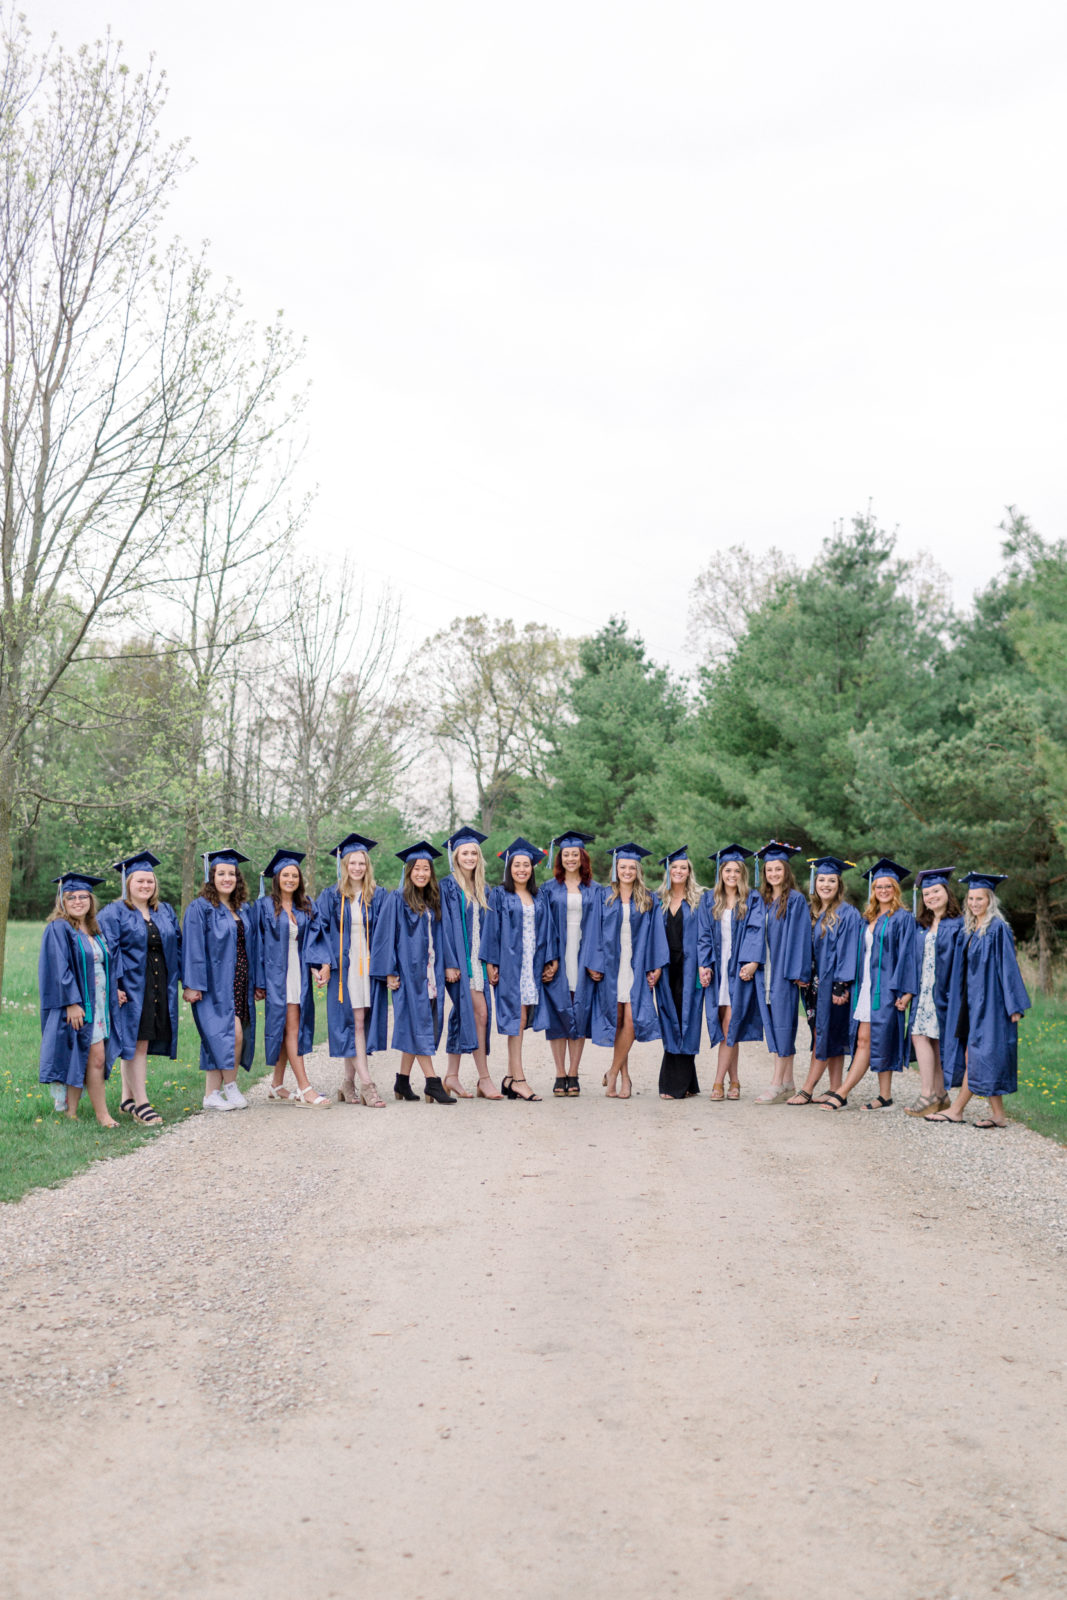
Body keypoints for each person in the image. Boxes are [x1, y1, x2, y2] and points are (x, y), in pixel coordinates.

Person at [928, 872, 1030, 1129]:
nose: (974, 903)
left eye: (979, 898)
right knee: (979, 1056)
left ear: (990, 900)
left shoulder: (997, 928)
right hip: (970, 1004)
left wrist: (1014, 1005)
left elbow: (1008, 968)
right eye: (971, 898)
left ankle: (956, 1109)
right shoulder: (969, 928)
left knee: (975, 1056)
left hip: (991, 1004)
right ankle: (998, 1115)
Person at [819, 858, 919, 1111]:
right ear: (873, 890)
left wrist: (906, 992)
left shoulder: (903, 918)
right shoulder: (869, 917)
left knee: (869, 1039)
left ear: (896, 889)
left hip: (886, 988)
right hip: (866, 987)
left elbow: (909, 956)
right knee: (871, 1039)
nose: (883, 891)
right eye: (878, 886)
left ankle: (842, 1092)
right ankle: (885, 1096)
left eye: (888, 886)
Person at [98, 850, 182, 1126]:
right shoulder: (114, 912)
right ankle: (142, 1104)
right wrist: (116, 986)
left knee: (136, 1042)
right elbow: (109, 951)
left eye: (150, 881)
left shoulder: (164, 910)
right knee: (138, 1042)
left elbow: (177, 943)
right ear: (127, 883)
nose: (146, 885)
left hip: (158, 983)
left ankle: (126, 1099)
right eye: (139, 881)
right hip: (133, 985)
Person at [369, 841, 455, 1104]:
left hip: (430, 972)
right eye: (417, 868)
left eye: (426, 869)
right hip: (407, 973)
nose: (421, 873)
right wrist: (390, 971)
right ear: (409, 872)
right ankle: (432, 1082)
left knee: (416, 1023)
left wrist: (449, 963)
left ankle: (402, 1081)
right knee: (418, 1024)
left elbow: (444, 934)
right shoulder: (397, 898)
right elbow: (385, 937)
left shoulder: (434, 899)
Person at [38, 870, 120, 1126]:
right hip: (79, 1003)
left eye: (83, 896)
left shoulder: (95, 928)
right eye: (71, 896)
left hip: (99, 1001)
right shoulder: (58, 928)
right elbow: (58, 968)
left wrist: (115, 988)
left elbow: (105, 963)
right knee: (96, 1057)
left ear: (91, 899)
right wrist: (71, 1003)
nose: (77, 901)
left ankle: (71, 1112)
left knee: (80, 1055)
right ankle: (102, 1115)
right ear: (61, 900)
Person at [181, 848, 259, 1112]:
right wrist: (192, 984)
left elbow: (253, 946)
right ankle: (231, 1086)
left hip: (239, 982)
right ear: (211, 876)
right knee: (230, 1034)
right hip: (213, 984)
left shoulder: (242, 908)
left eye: (231, 874)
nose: (227, 878)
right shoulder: (200, 908)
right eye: (221, 873)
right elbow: (192, 947)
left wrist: (257, 982)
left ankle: (211, 1094)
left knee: (218, 1038)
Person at [254, 849, 332, 1108]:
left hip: (298, 973)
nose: (290, 879)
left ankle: (277, 1085)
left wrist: (319, 966)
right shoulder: (264, 906)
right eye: (285, 875)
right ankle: (305, 1088)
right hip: (277, 976)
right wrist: (260, 982)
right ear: (276, 878)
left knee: (290, 1026)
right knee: (292, 1027)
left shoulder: (306, 905)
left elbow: (313, 940)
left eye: (294, 875)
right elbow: (257, 944)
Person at [483, 837, 559, 1101]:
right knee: (516, 1018)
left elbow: (548, 929)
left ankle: (508, 1077)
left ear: (532, 868)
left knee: (522, 1017)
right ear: (509, 867)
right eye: (517, 865)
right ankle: (519, 1079)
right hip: (510, 964)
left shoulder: (540, 896)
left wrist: (552, 959)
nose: (522, 870)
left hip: (532, 963)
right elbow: (491, 930)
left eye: (526, 865)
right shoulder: (500, 894)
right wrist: (492, 963)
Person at [316, 832, 389, 1107]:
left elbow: (385, 932)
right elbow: (320, 931)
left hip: (369, 965)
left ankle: (347, 1083)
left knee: (357, 1023)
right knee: (356, 1022)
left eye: (362, 863)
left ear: (367, 866)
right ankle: (367, 1084)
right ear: (344, 865)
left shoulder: (378, 895)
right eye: (352, 863)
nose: (357, 868)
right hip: (345, 968)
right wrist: (323, 963)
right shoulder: (332, 896)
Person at [591, 844, 667, 1098]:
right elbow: (593, 933)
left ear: (638, 870)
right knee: (618, 1020)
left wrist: (655, 965)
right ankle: (625, 1079)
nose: (627, 871)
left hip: (637, 964)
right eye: (622, 867)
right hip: (612, 966)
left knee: (632, 1021)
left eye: (631, 867)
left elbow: (657, 932)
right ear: (615, 869)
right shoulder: (603, 896)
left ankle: (612, 1071)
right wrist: (595, 963)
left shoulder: (648, 898)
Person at [740, 841, 812, 1104]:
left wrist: (797, 972)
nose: (773, 874)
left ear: (786, 871)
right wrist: (751, 962)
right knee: (775, 1025)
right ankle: (788, 1082)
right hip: (764, 971)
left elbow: (801, 939)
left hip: (784, 973)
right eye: (769, 869)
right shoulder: (760, 900)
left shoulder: (795, 900)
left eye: (778, 869)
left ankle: (775, 1083)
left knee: (784, 1025)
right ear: (764, 872)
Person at [786, 857, 862, 1105]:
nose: (826, 885)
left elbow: (849, 949)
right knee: (830, 1034)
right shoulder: (810, 910)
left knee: (823, 1034)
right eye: (821, 880)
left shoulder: (847, 913)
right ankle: (834, 1087)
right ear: (814, 882)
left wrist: (841, 984)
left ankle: (807, 1088)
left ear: (839, 884)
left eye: (831, 880)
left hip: (833, 985)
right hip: (812, 985)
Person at [538, 830, 604, 1097]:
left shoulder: (596, 889)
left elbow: (601, 928)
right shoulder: (548, 888)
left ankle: (574, 1072)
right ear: (560, 857)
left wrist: (595, 960)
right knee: (558, 1012)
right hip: (558, 956)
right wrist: (549, 959)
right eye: (566, 854)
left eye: (575, 854)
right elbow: (544, 927)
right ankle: (559, 1073)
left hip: (584, 955)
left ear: (582, 856)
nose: (570, 858)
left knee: (580, 1011)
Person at [697, 845, 762, 1100]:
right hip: (718, 968)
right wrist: (704, 964)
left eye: (736, 870)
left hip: (740, 967)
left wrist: (753, 962)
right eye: (727, 870)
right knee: (726, 1025)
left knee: (730, 1023)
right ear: (720, 872)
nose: (732, 874)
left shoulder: (752, 899)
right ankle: (734, 1081)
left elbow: (757, 932)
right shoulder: (709, 900)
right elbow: (703, 935)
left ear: (742, 873)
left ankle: (717, 1082)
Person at [439, 826, 500, 1099]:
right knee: (481, 1013)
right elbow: (443, 928)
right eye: (464, 852)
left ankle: (451, 1076)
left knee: (465, 1013)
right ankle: (484, 1078)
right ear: (455, 856)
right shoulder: (447, 886)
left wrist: (490, 961)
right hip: (459, 964)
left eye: (474, 852)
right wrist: (450, 963)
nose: (470, 857)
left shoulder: (483, 888)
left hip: (478, 961)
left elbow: (489, 930)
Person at [906, 867, 965, 1118]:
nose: (931, 897)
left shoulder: (958, 924)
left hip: (946, 992)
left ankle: (929, 1093)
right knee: (924, 1036)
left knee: (929, 1038)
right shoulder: (922, 925)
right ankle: (939, 1094)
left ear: (947, 893)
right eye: (927, 893)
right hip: (924, 991)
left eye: (936, 891)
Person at [654, 848, 707, 1100]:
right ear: (668, 870)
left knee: (689, 1020)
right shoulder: (658, 900)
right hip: (666, 968)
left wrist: (705, 964)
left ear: (689, 872)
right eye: (674, 867)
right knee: (670, 1017)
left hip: (691, 968)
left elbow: (706, 936)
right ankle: (688, 1083)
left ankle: (674, 1084)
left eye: (683, 868)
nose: (678, 871)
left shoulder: (700, 899)